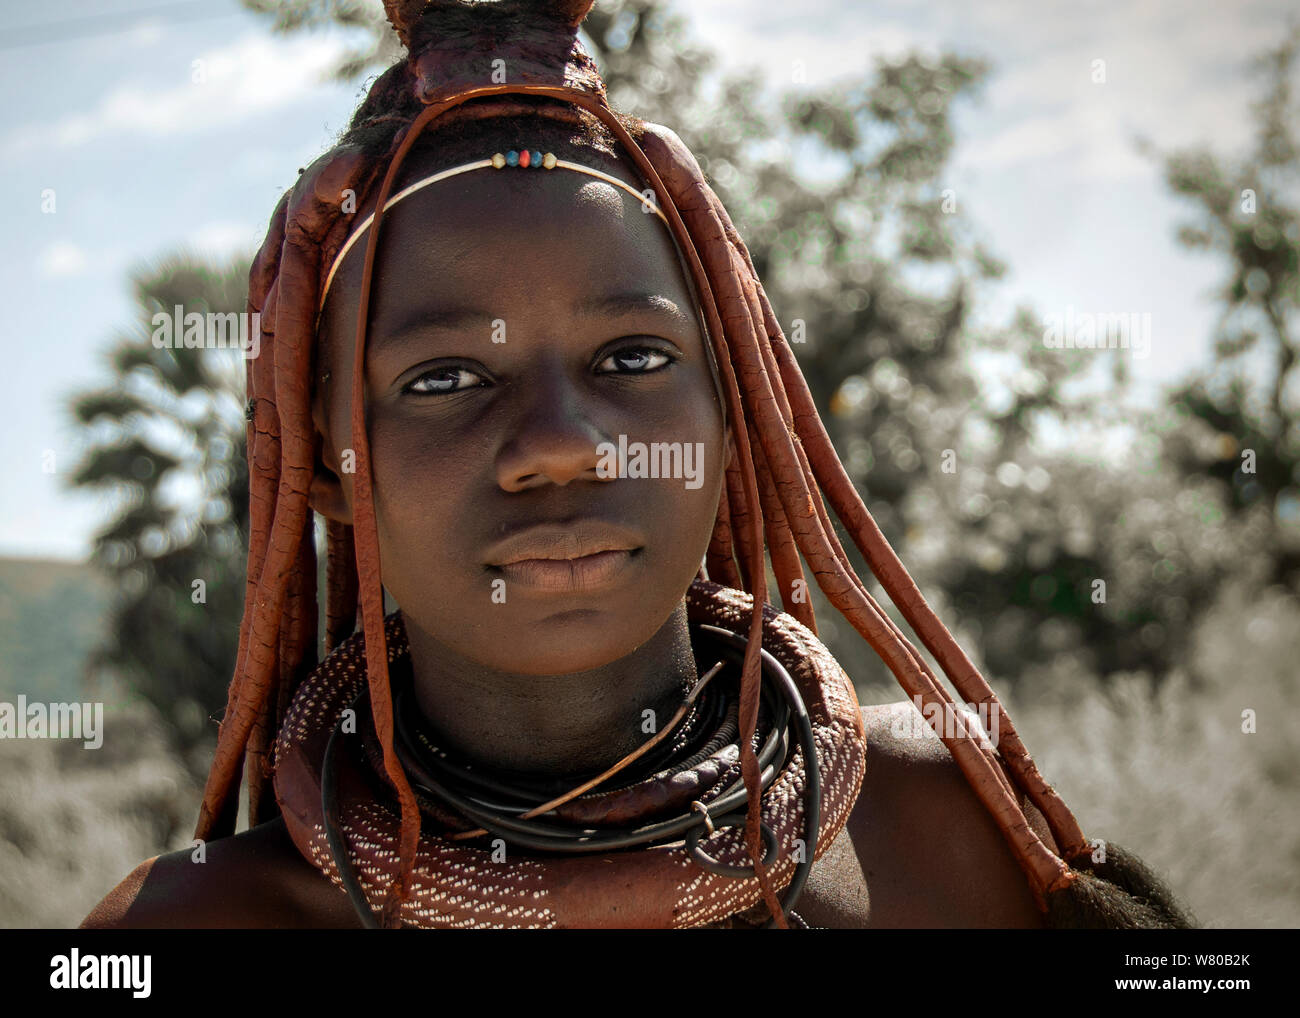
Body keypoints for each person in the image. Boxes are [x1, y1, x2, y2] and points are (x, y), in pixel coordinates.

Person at [81, 0, 1194, 930]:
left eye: (631, 355)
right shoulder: (194, 927)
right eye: (443, 378)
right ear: (328, 457)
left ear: (736, 411)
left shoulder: (946, 833)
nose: (564, 440)